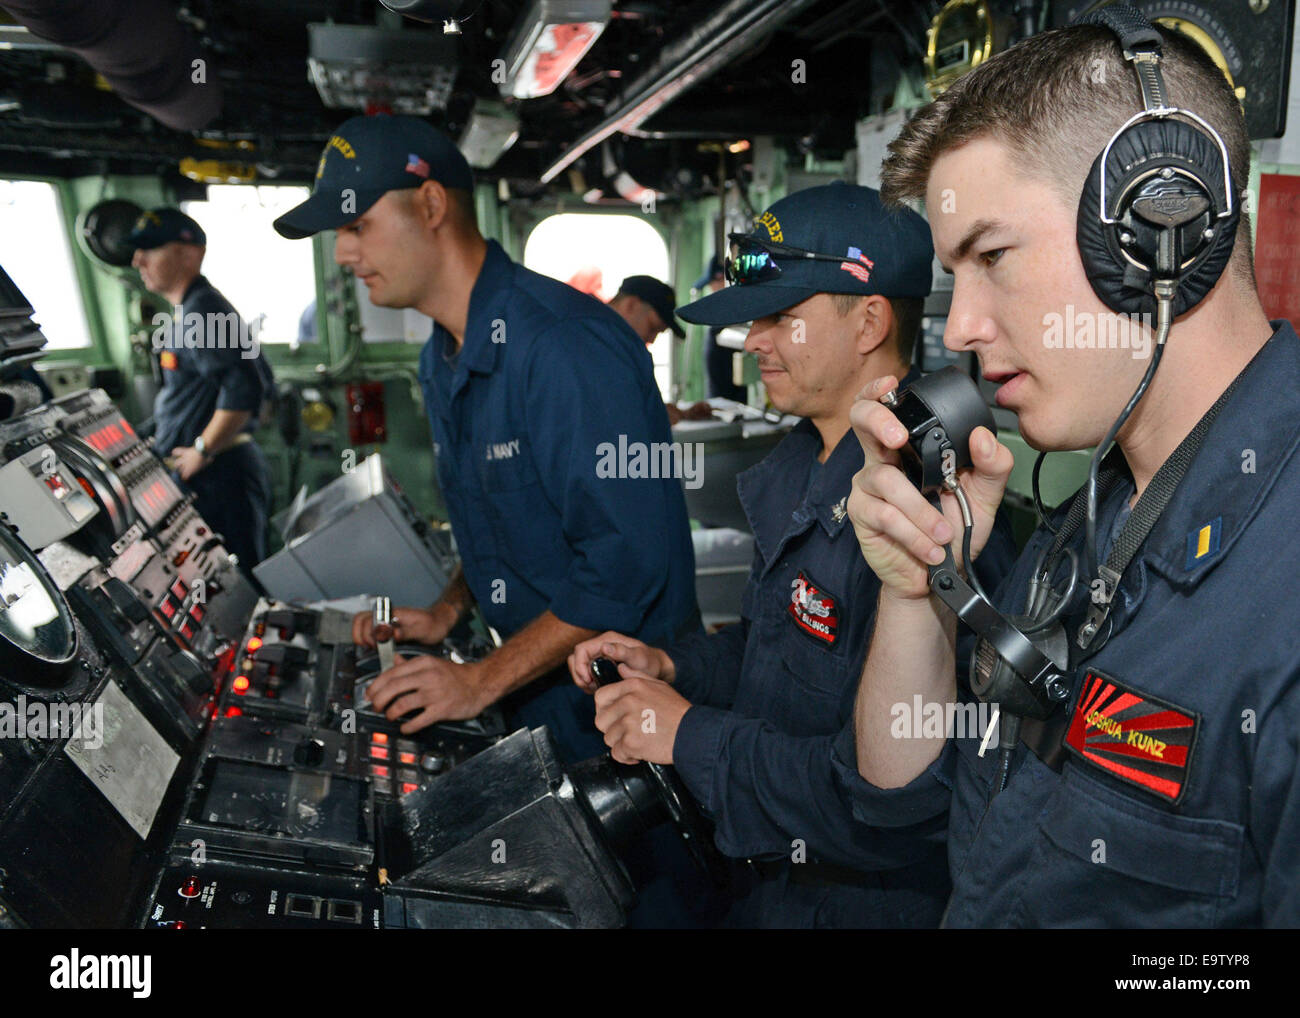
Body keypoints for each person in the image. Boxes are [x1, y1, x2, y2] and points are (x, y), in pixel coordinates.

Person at [842, 8, 1300, 926]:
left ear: (1158, 228)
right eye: (952, 276)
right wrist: (916, 587)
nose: (963, 326)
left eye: (994, 256)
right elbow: (894, 806)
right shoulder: (1096, 519)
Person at [568, 182, 1016, 927]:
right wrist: (673, 669)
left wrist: (686, 734)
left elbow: (896, 804)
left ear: (870, 319)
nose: (754, 340)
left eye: (781, 316)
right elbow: (772, 644)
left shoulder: (932, 513)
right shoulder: (804, 463)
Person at [272, 114, 699, 767]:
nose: (342, 254)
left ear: (432, 203)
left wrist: (479, 680)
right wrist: (448, 612)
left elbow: (627, 567)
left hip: (625, 719)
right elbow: (498, 520)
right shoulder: (441, 359)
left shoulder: (564, 347)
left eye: (357, 226)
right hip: (534, 689)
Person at [129, 207, 272, 571]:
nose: (138, 260)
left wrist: (201, 450)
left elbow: (245, 391)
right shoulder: (191, 311)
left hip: (218, 475)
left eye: (152, 248)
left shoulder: (203, 312)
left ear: (190, 254)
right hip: (209, 473)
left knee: (236, 580)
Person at [608, 275, 711, 424]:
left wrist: (677, 413)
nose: (651, 339)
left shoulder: (627, 352)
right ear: (630, 305)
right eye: (652, 328)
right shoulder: (587, 342)